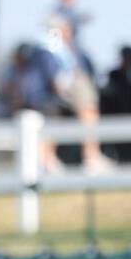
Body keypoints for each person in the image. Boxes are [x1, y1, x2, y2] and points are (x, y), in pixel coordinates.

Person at [40, 14, 114, 174]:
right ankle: (90, 156)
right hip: (57, 94)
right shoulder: (52, 47)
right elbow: (56, 76)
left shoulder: (63, 48)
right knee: (86, 113)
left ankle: (49, 160)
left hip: (61, 93)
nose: (69, 31)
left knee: (56, 122)